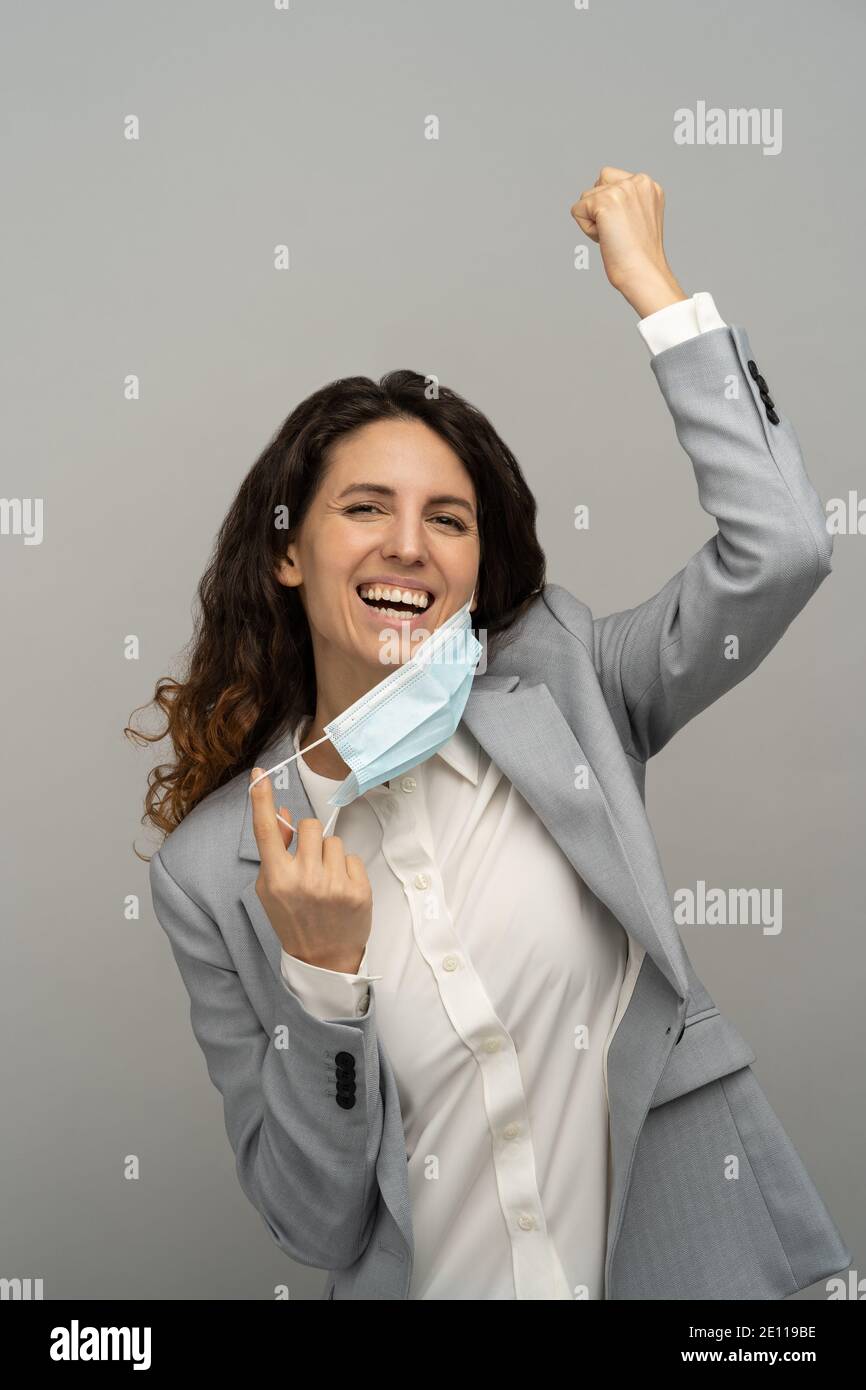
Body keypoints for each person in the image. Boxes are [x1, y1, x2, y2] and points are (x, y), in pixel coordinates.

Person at [129, 167, 851, 1300]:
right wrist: (321, 980)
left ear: (475, 570)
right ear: (286, 553)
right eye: (364, 508)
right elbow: (314, 1228)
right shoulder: (212, 871)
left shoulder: (568, 684)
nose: (407, 545)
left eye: (447, 519)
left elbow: (782, 554)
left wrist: (653, 289)